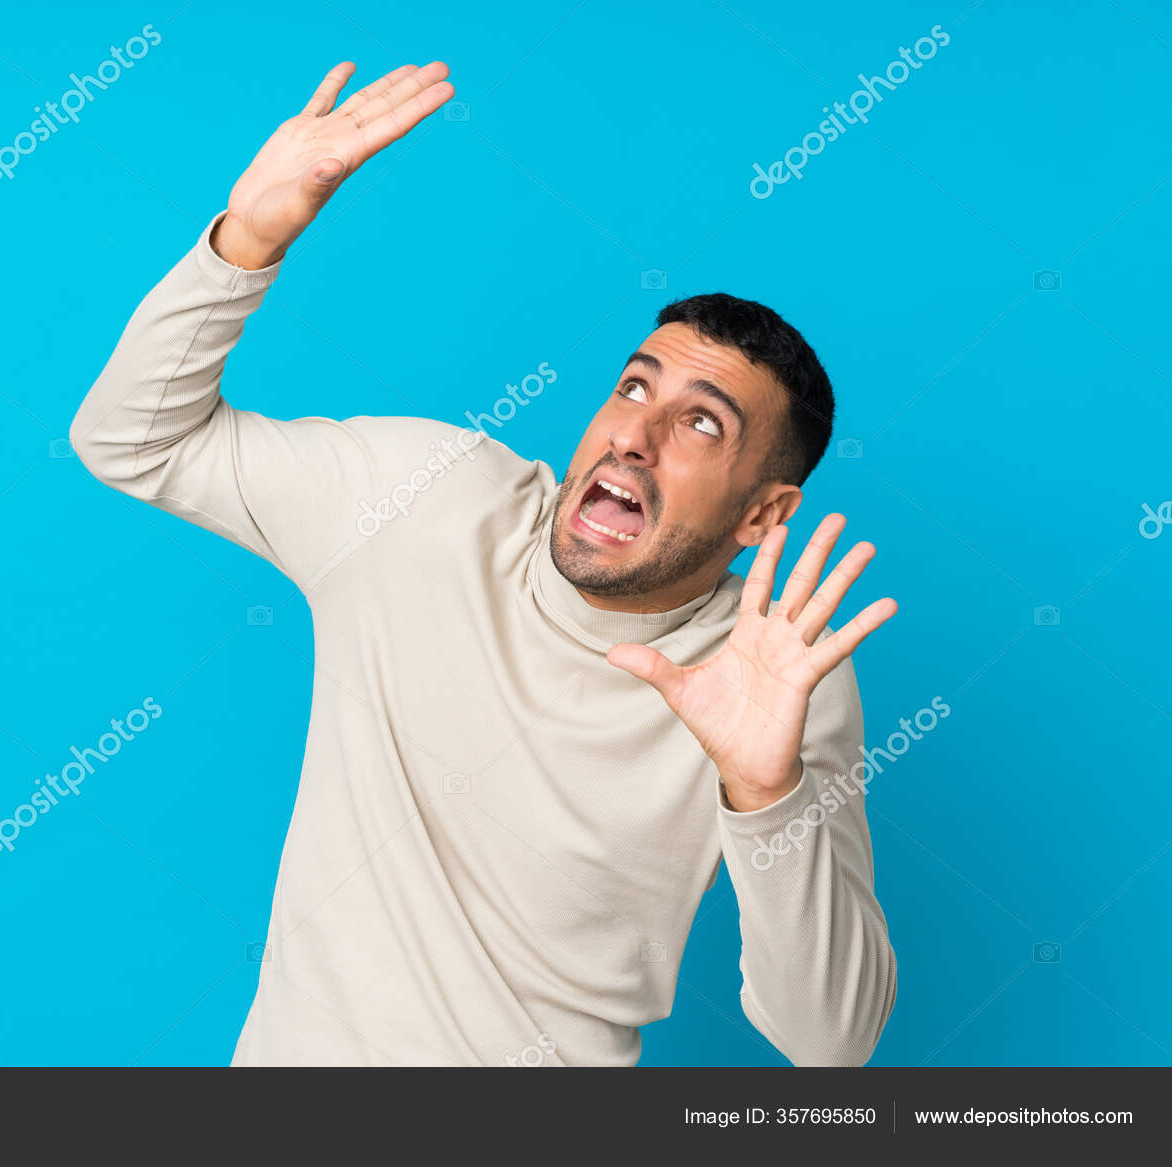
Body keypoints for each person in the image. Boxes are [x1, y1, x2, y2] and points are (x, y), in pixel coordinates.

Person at [70, 60, 898, 1066]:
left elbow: (833, 1042)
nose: (636, 437)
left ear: (762, 515)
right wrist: (245, 241)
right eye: (634, 388)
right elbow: (130, 443)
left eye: (700, 425)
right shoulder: (421, 498)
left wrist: (764, 792)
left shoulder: (769, 671)